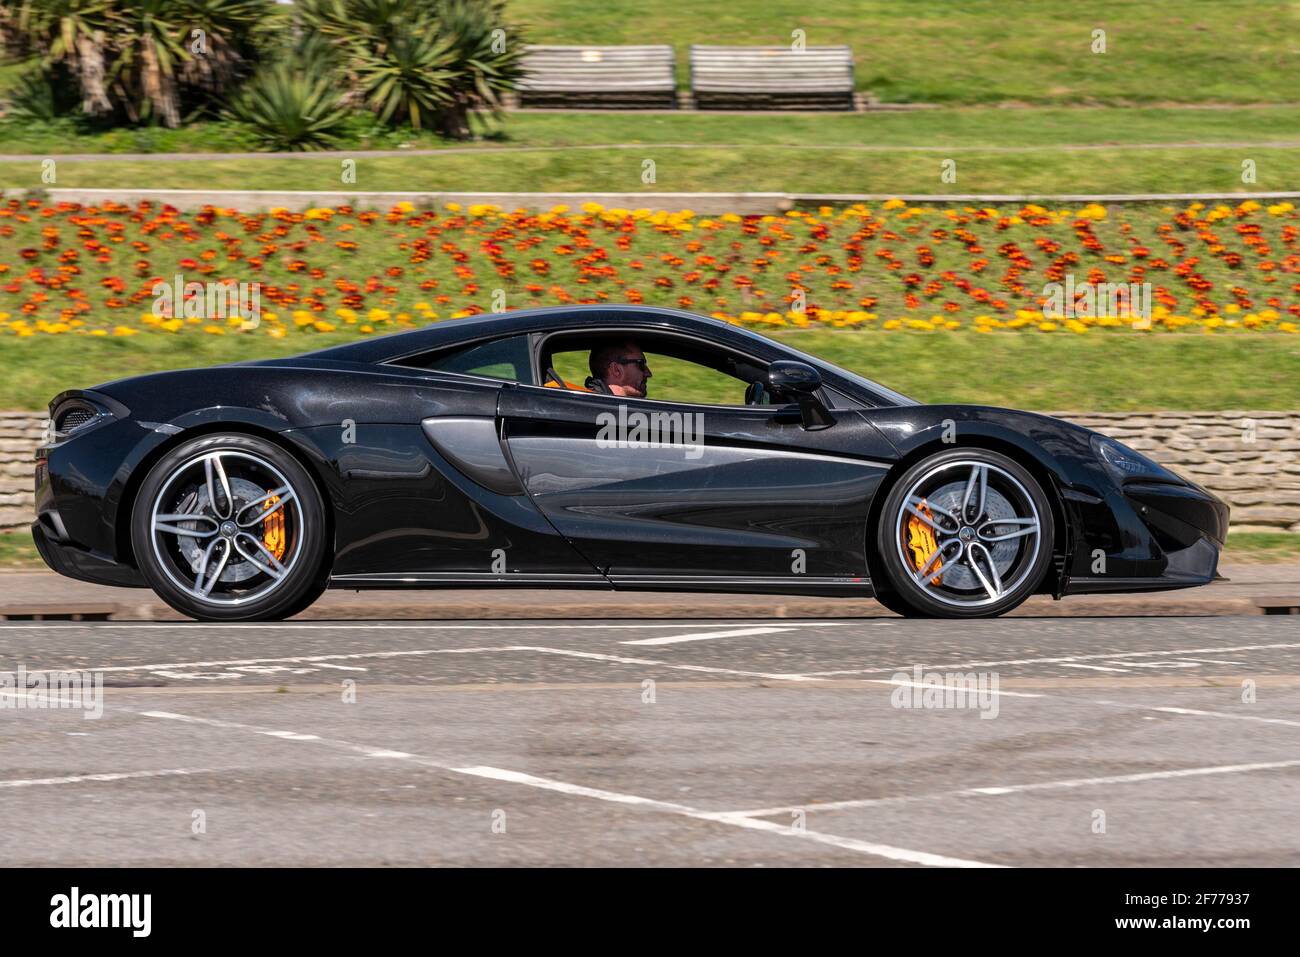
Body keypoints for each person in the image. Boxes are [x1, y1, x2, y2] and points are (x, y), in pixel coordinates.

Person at [585, 339, 652, 398]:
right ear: (616, 370)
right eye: (641, 364)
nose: (648, 373)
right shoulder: (594, 405)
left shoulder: (602, 403)